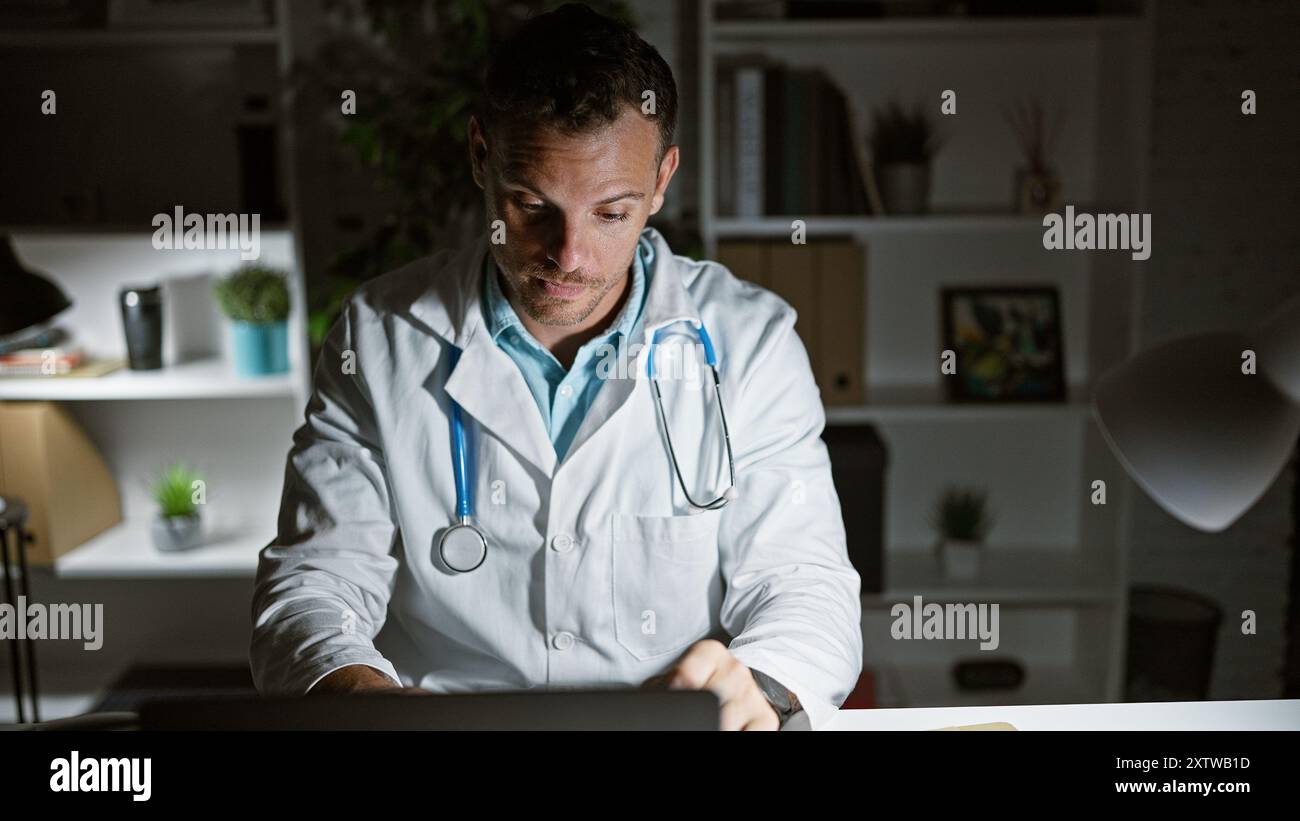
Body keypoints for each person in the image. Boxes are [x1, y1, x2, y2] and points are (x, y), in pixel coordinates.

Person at [250, 2, 862, 731]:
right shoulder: (378, 336)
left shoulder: (751, 341)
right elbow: (314, 583)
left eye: (611, 213)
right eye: (532, 204)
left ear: (663, 178)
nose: (568, 255)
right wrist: (367, 702)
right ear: (481, 155)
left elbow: (806, 586)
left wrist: (755, 686)